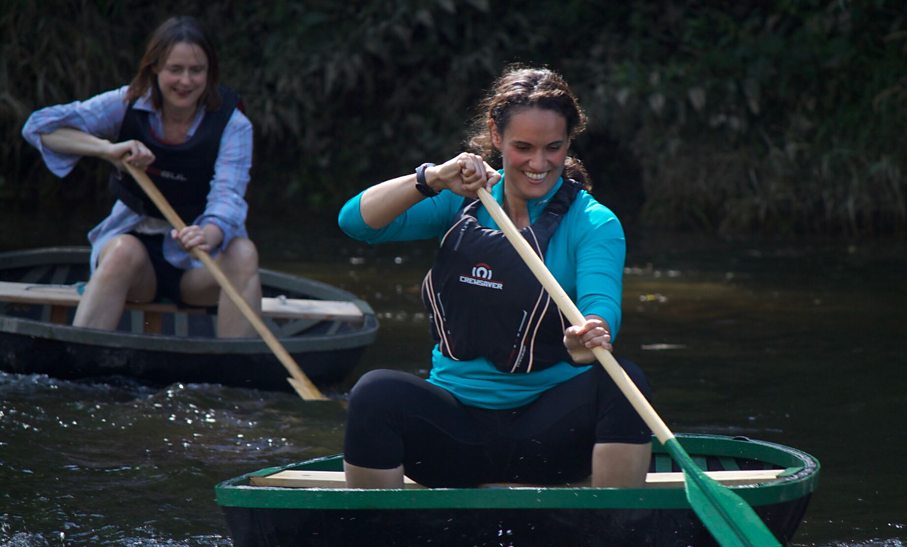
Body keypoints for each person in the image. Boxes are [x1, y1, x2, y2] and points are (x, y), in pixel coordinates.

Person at [337, 65, 652, 488]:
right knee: (374, 393)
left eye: (553, 148)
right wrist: (430, 178)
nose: (539, 163)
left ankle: (614, 531)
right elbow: (356, 222)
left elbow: (602, 302)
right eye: (523, 147)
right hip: (454, 436)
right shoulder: (461, 201)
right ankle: (377, 534)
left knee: (624, 380)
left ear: (568, 143)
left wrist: (593, 331)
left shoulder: (594, 223)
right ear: (496, 136)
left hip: (549, 441)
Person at [21, 15, 260, 337]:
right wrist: (107, 150)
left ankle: (235, 373)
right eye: (175, 70)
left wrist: (208, 234)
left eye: (196, 70)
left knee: (244, 252)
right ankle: (82, 355)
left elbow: (229, 196)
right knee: (121, 252)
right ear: (155, 68)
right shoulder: (128, 102)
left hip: (198, 265)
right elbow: (41, 128)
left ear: (210, 73)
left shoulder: (233, 124)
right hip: (136, 266)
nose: (186, 82)